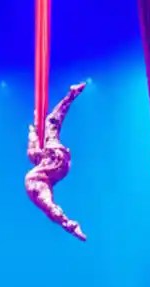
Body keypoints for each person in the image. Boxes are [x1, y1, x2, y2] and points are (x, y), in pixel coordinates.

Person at [25, 81, 87, 241]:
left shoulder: (40, 149)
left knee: (50, 123)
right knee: (50, 123)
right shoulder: (38, 150)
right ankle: (68, 224)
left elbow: (33, 150)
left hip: (55, 160)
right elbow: (32, 151)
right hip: (55, 162)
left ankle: (68, 224)